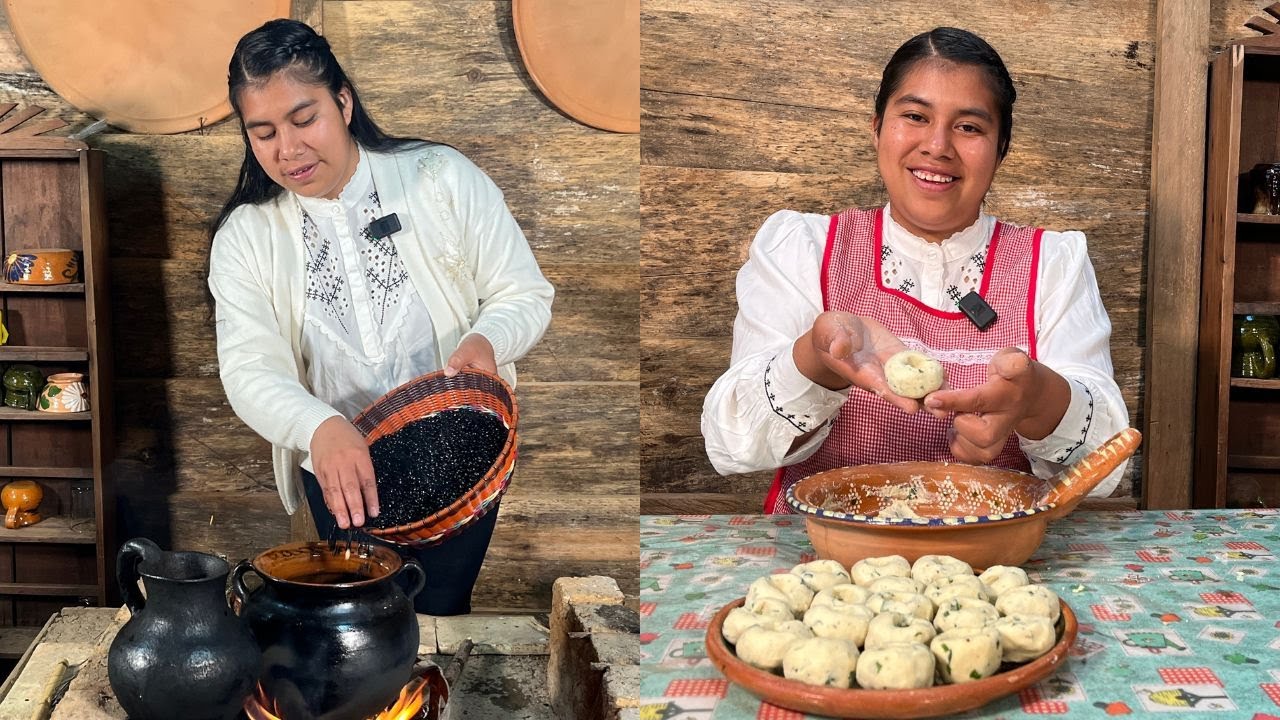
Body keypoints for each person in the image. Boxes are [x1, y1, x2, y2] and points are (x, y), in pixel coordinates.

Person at [701, 27, 1129, 513]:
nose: (938, 145)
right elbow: (733, 443)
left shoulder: (1054, 262)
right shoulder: (801, 248)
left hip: (995, 565)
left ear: (1002, 148)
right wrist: (818, 362)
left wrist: (1035, 400)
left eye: (969, 127)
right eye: (914, 116)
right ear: (877, 127)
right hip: (829, 565)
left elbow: (1106, 467)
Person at [207, 19, 554, 613]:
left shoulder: (439, 177)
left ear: (342, 101)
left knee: (440, 613)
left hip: (463, 449)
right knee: (360, 620)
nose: (287, 151)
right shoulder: (247, 236)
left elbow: (523, 293)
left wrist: (487, 340)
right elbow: (248, 370)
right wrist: (318, 427)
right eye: (262, 133)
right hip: (340, 467)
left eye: (303, 119)